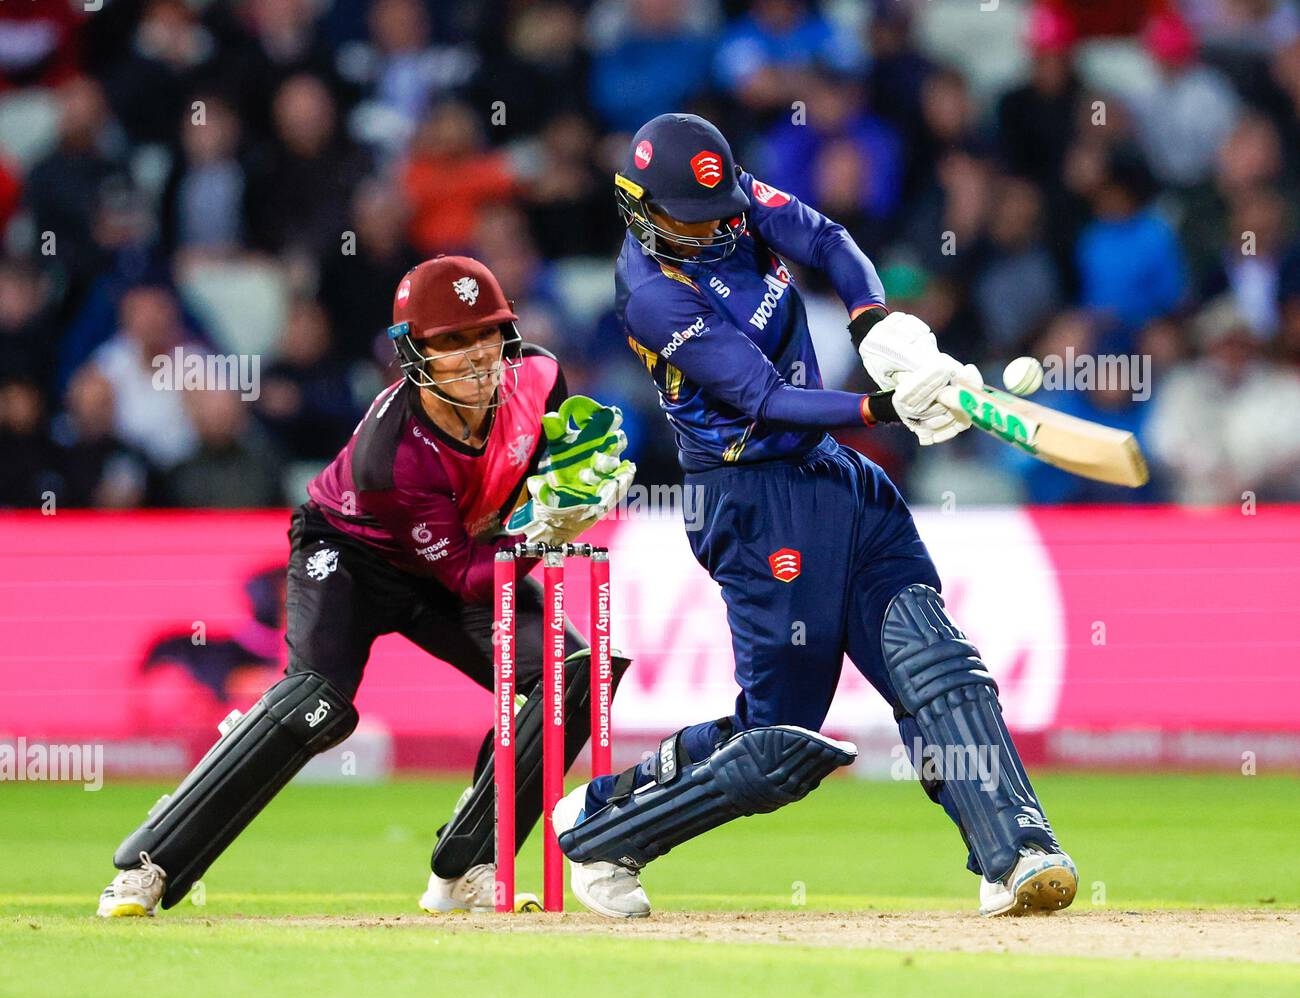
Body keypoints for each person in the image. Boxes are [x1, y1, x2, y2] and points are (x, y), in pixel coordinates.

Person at [552, 113, 1077, 920]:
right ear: (640, 211)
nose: (714, 228)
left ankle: (1017, 852)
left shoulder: (728, 203)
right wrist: (887, 405)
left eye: (721, 209)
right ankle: (603, 824)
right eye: (687, 220)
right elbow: (766, 400)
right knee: (777, 745)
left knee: (935, 662)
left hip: (833, 477)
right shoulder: (653, 295)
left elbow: (829, 240)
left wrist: (875, 321)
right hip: (752, 502)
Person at [97, 255, 633, 918]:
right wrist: (545, 527)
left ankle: (466, 866)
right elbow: (469, 579)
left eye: (487, 335)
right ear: (414, 353)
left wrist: (576, 473)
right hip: (352, 556)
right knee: (315, 704)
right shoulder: (394, 453)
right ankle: (148, 864)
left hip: (460, 553)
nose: (475, 357)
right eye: (451, 341)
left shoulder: (541, 377)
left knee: (575, 673)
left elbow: (550, 455)